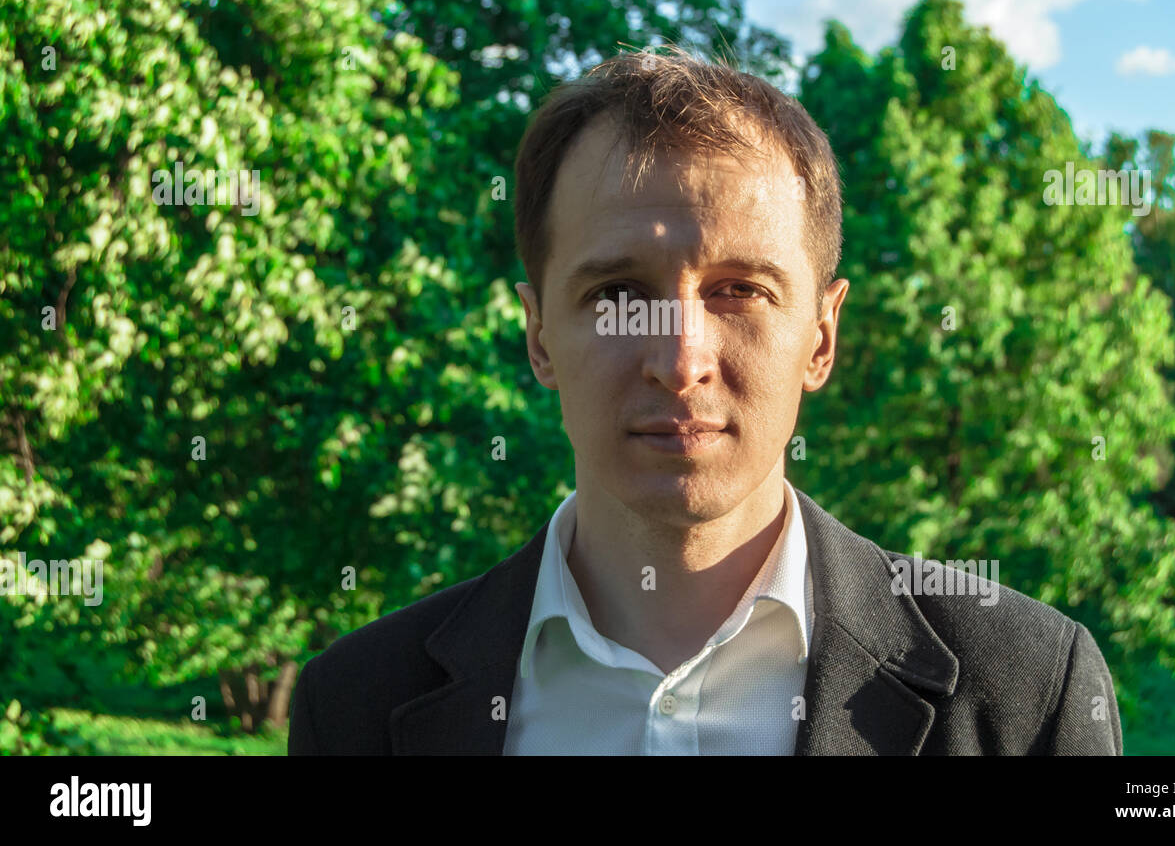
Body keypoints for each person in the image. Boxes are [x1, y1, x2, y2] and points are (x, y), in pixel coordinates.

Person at [288, 46, 1122, 755]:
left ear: (822, 338)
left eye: (738, 291)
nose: (679, 358)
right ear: (539, 335)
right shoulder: (356, 706)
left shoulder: (1028, 693)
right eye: (618, 292)